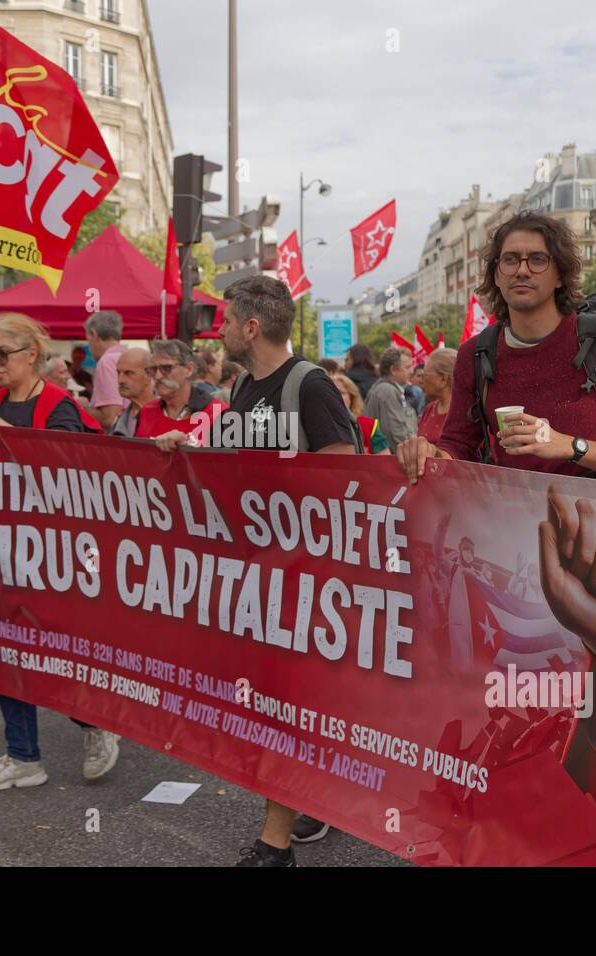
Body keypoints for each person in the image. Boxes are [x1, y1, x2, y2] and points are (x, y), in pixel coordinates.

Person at [152, 275, 356, 866]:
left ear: (250, 326)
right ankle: (317, 802)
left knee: (287, 703)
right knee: (280, 703)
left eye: (224, 321)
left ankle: (275, 847)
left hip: (304, 577)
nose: (216, 332)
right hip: (258, 577)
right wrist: (189, 451)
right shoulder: (243, 387)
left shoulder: (309, 385)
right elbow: (233, 465)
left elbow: (345, 474)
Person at [0, 312, 120, 791]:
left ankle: (93, 723)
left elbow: (75, 471)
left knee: (47, 656)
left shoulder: (57, 405)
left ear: (32, 354)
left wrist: (7, 436)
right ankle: (22, 755)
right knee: (5, 654)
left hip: (51, 557)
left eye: (1, 354)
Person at [396, 211, 596, 483]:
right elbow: (458, 449)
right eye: (510, 260)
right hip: (511, 520)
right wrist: (428, 454)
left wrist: (569, 446)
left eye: (538, 259)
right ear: (497, 276)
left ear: (560, 275)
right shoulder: (475, 354)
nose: (522, 270)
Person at [135, 339, 227, 440]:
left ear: (189, 369)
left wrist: (188, 442)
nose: (158, 376)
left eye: (166, 368)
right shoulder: (147, 411)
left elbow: (225, 454)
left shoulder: (216, 412)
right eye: (153, 369)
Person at [363, 347, 418, 452]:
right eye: (408, 367)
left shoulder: (385, 389)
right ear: (393, 370)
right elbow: (396, 434)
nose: (412, 371)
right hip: (393, 461)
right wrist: (413, 453)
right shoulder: (388, 391)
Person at [84, 310, 126, 430]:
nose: (89, 345)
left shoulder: (107, 361)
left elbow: (110, 418)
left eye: (88, 339)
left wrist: (81, 406)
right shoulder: (130, 357)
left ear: (94, 334)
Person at [330, 371, 390, 454]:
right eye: (331, 392)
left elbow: (384, 460)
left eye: (341, 392)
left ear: (352, 397)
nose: (336, 396)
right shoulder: (318, 426)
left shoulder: (369, 426)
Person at [109, 346, 154, 437]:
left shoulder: (168, 415)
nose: (120, 380)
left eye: (129, 373)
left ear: (149, 374)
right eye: (118, 373)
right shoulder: (121, 419)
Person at [416, 348, 457, 445]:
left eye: (424, 375)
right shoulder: (429, 409)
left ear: (443, 379)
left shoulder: (467, 413)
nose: (421, 381)